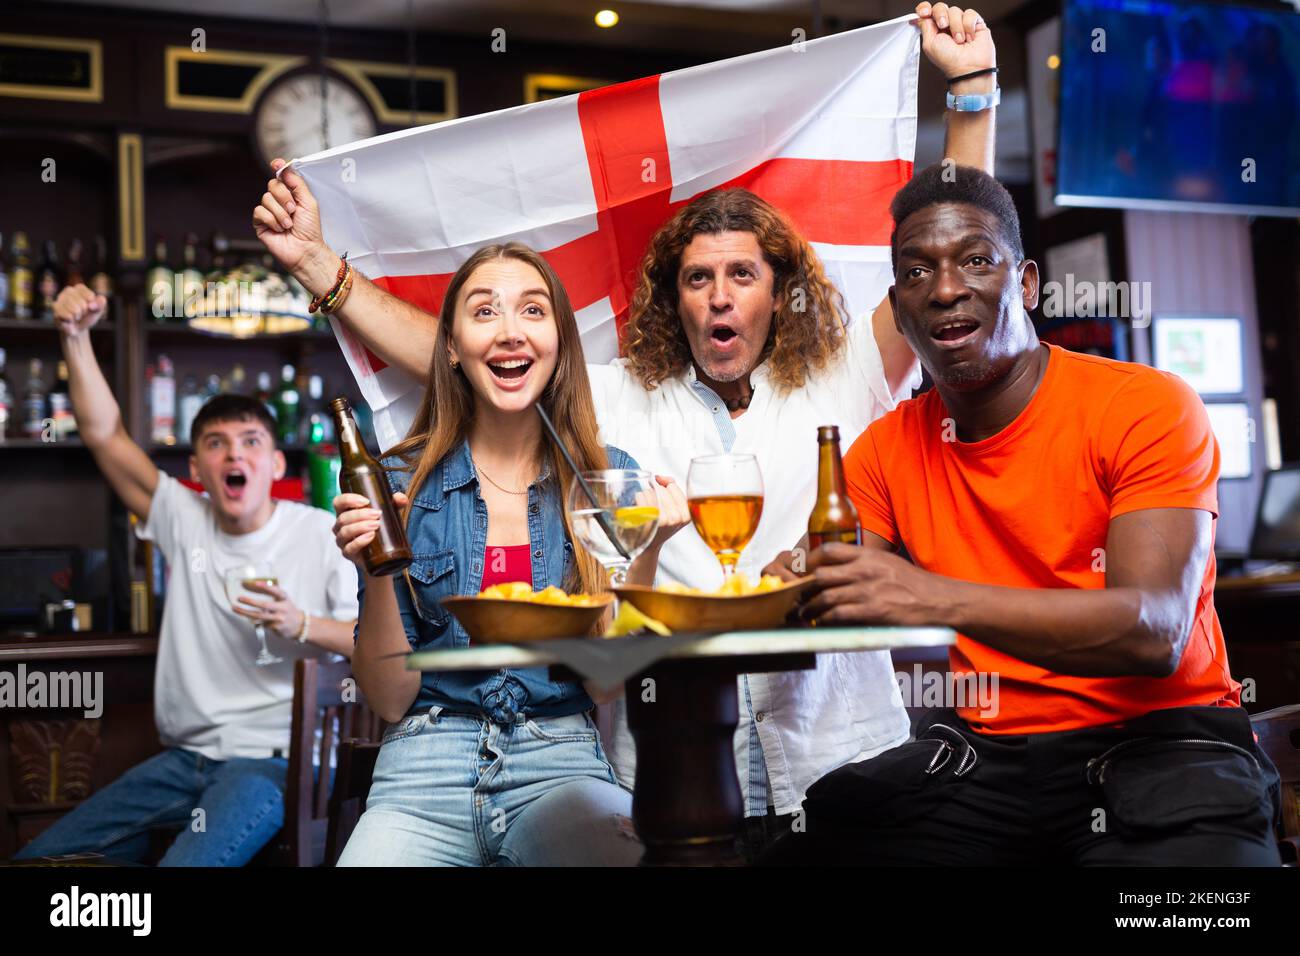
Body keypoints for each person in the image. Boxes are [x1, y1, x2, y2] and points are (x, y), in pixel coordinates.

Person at [253, 2, 1000, 861]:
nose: (719, 296)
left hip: (833, 752)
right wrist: (320, 267)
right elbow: (463, 350)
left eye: (742, 276)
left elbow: (948, 256)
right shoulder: (620, 399)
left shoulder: (845, 376)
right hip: (668, 756)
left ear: (779, 289)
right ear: (673, 300)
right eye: (697, 278)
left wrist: (972, 92)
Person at [759, 163, 1282, 866]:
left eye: (976, 260)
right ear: (899, 303)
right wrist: (795, 582)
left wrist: (929, 596)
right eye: (918, 272)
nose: (946, 288)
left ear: (1028, 283)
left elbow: (1155, 632)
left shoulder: (1144, 405)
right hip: (986, 762)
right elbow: (830, 571)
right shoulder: (887, 446)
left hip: (1161, 743)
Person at [329, 241, 688, 866]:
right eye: (485, 311)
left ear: (559, 340)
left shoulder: (609, 479)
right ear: (451, 345)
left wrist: (647, 550)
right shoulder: (398, 479)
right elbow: (387, 699)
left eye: (532, 310)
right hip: (422, 764)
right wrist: (376, 569)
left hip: (561, 760)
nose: (510, 332)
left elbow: (604, 682)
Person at [13, 284, 359, 867]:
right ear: (196, 467)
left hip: (274, 760)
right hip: (184, 759)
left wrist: (299, 622)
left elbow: (369, 647)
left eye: (251, 443)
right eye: (216, 445)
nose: (234, 456)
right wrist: (72, 336)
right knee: (44, 859)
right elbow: (103, 436)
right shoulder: (184, 517)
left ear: (276, 463)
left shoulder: (321, 532)